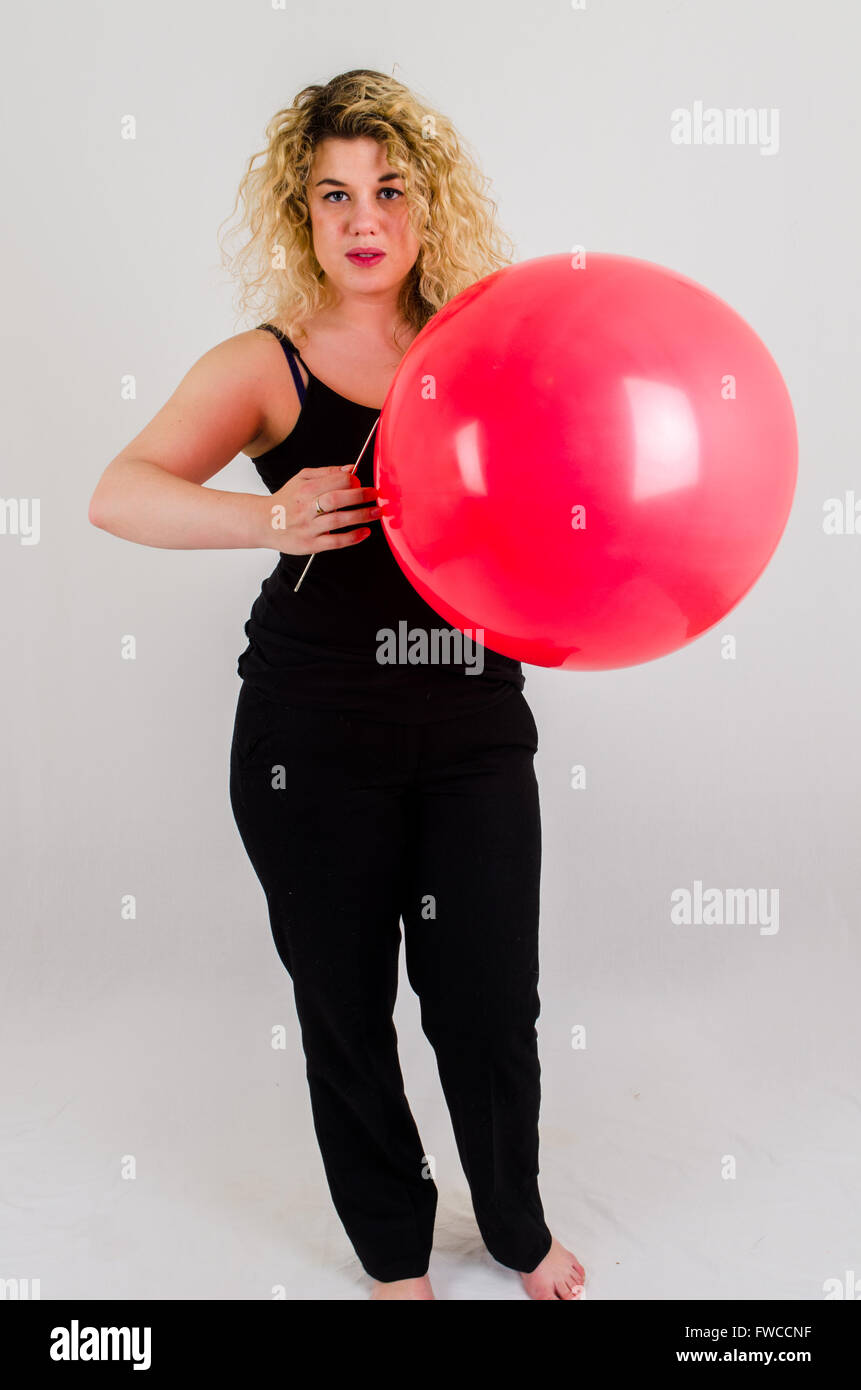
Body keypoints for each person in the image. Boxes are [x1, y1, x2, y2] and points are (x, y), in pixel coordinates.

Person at [88, 68, 585, 1302]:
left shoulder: (480, 344)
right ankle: (392, 1254)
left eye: (390, 190)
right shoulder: (267, 365)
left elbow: (560, 501)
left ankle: (515, 1227)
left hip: (473, 721)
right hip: (310, 736)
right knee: (345, 1006)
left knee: (488, 1002)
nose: (365, 218)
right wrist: (267, 518)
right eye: (334, 195)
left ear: (427, 205)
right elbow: (119, 492)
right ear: (301, 214)